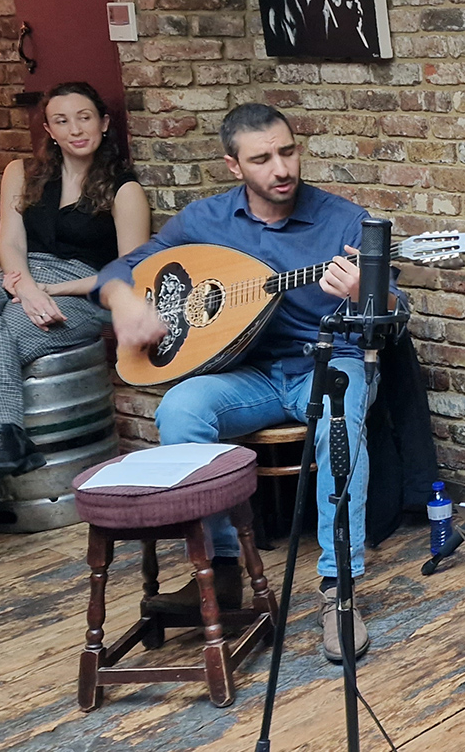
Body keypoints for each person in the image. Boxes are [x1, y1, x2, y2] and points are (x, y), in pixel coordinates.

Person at [96, 102, 401, 663]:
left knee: (340, 415)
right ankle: (223, 568)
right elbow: (121, 271)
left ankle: (340, 589)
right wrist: (123, 303)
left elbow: (393, 314)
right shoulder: (205, 221)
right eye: (262, 159)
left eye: (288, 152)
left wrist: (362, 293)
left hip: (328, 360)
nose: (281, 169)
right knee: (180, 410)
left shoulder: (344, 221)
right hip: (245, 373)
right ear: (234, 166)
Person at [0, 82, 149, 558]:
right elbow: (10, 245)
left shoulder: (124, 189)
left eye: (85, 117)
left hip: (83, 292)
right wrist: (25, 285)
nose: (76, 129)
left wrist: (49, 290)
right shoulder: (21, 173)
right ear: (48, 129)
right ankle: (5, 434)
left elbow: (129, 272)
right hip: (20, 279)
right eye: (63, 120)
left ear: (104, 123)